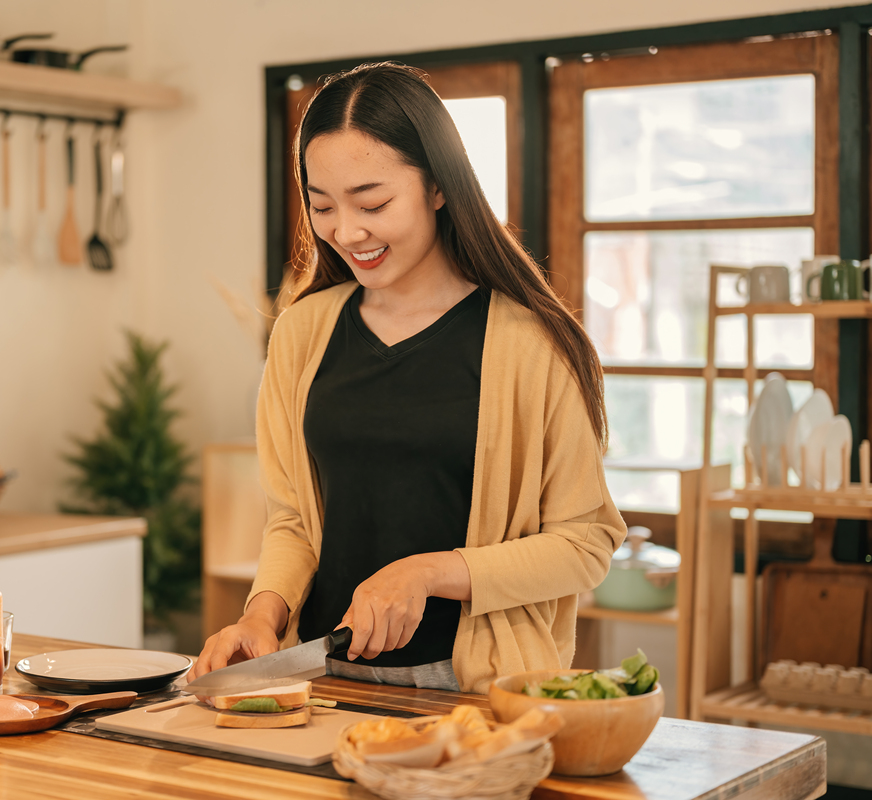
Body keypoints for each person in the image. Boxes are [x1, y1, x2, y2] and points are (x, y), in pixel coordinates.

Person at [188, 62, 626, 694]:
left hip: (476, 686)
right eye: (322, 206)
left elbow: (585, 543)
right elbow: (294, 520)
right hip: (320, 679)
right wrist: (263, 614)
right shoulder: (302, 333)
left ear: (439, 187)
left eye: (373, 203)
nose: (346, 232)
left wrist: (429, 573)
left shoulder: (530, 345)